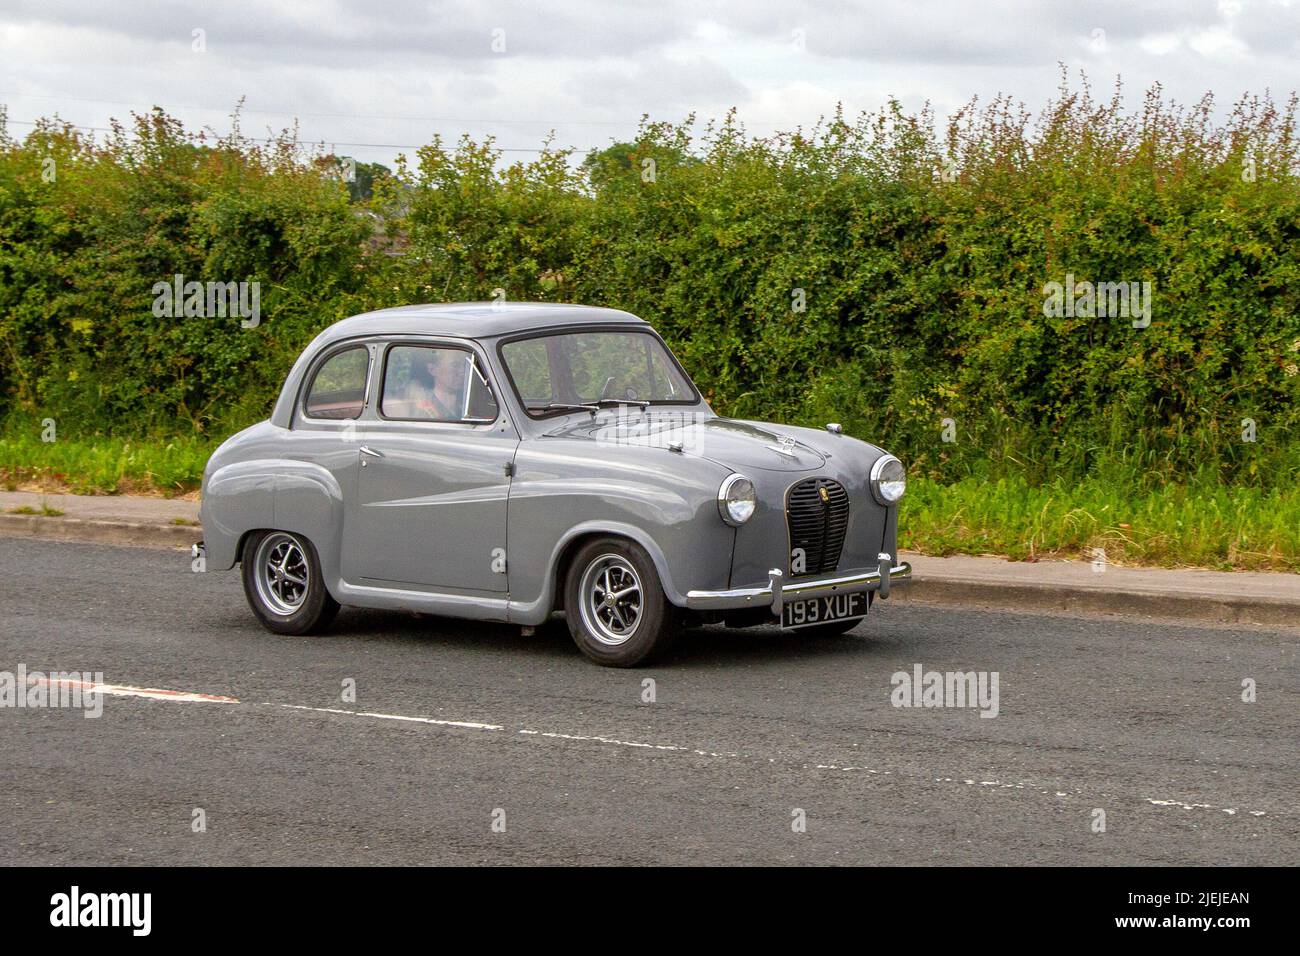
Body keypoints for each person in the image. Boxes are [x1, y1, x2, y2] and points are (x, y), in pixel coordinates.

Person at [402, 349, 467, 420]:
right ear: (432, 369)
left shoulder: (468, 403)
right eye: (455, 365)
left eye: (465, 365)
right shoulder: (423, 410)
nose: (463, 371)